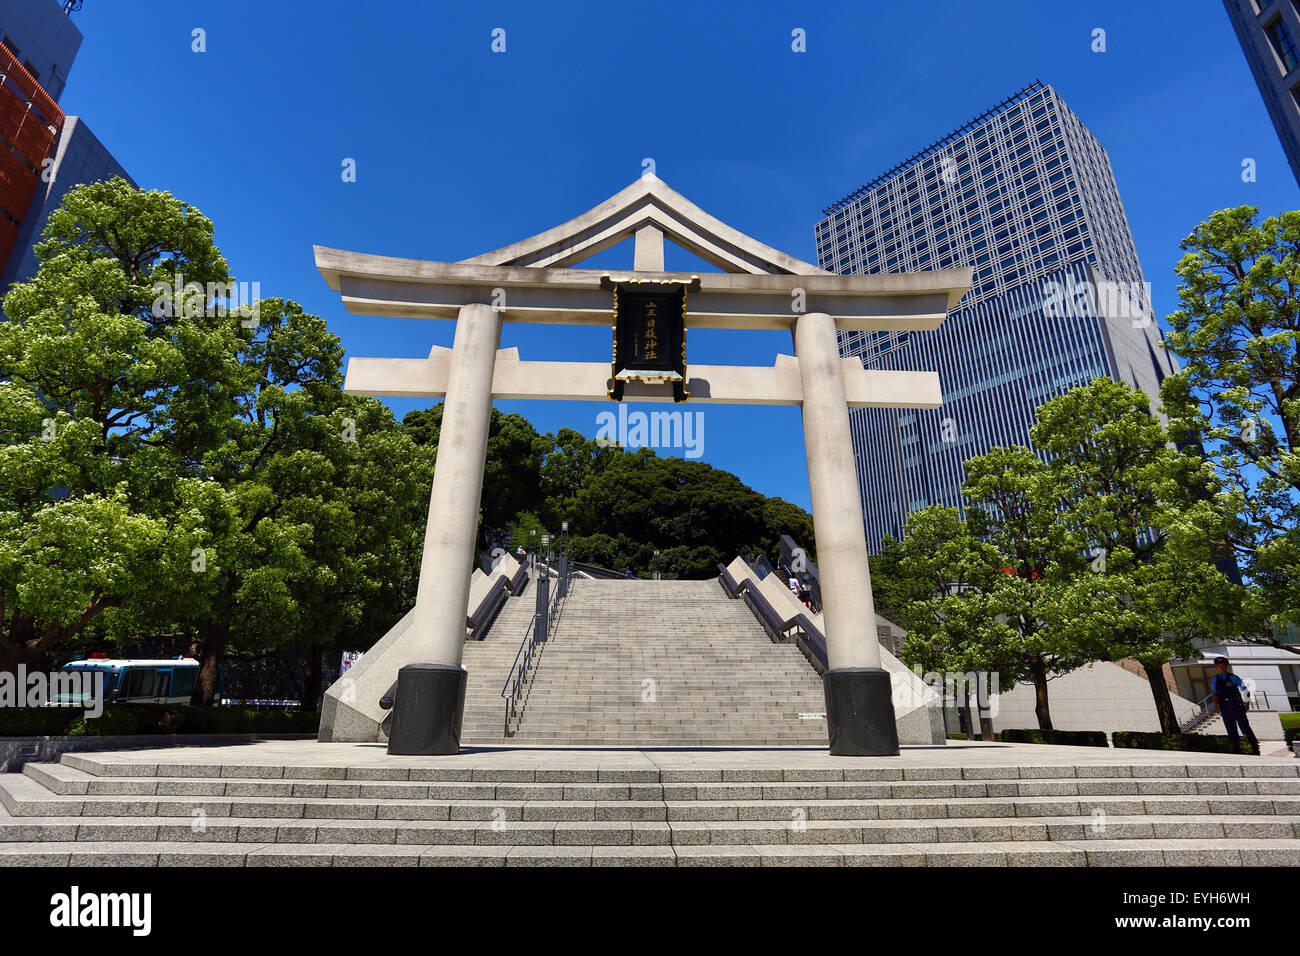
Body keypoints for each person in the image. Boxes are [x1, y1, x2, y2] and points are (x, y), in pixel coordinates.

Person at [1212, 656, 1260, 756]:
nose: (1221, 668)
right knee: (1230, 728)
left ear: (1227, 666)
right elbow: (1215, 694)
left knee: (1244, 727)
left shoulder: (1233, 677)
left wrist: (1246, 703)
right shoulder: (1215, 679)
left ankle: (1255, 747)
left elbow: (1245, 690)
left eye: (1223, 666)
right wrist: (1216, 706)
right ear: (1216, 667)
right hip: (1225, 707)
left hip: (1236, 706)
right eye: (1219, 666)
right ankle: (1236, 748)